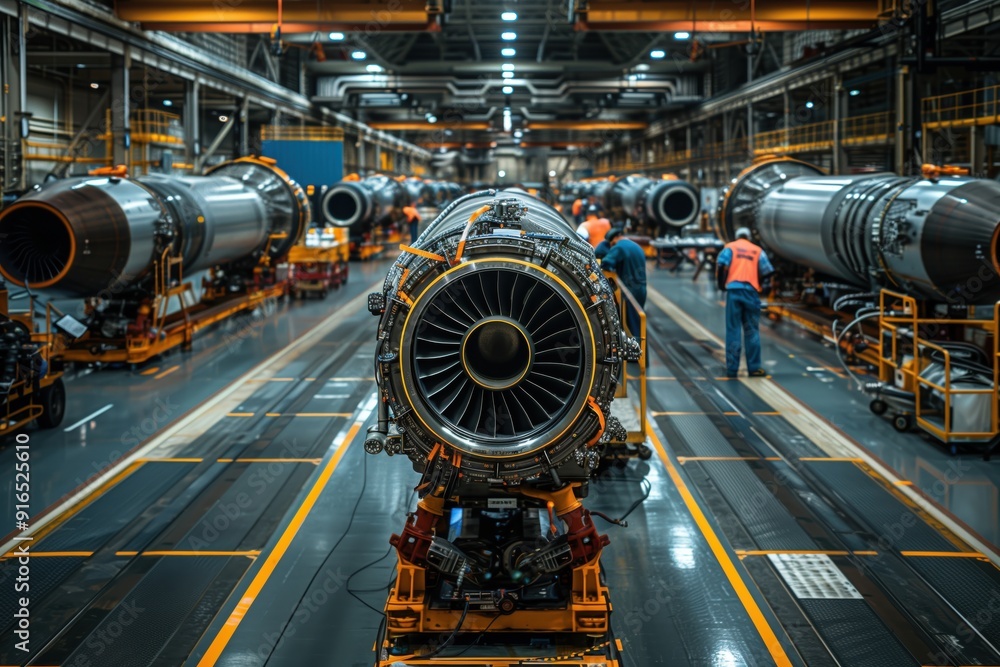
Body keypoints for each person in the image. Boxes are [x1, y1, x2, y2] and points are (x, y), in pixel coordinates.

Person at [716, 227, 775, 378]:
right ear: (749, 237)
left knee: (733, 330)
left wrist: (721, 284)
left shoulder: (730, 248)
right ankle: (754, 369)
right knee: (751, 331)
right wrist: (760, 285)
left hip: (734, 291)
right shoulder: (757, 251)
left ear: (737, 237)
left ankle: (732, 369)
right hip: (751, 292)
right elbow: (768, 271)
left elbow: (721, 264)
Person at [601, 227, 647, 337]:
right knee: (639, 321)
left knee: (631, 325)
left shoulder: (619, 247)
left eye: (612, 244)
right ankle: (643, 351)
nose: (612, 246)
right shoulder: (636, 246)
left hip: (628, 291)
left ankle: (636, 350)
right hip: (641, 290)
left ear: (615, 239)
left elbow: (606, 263)